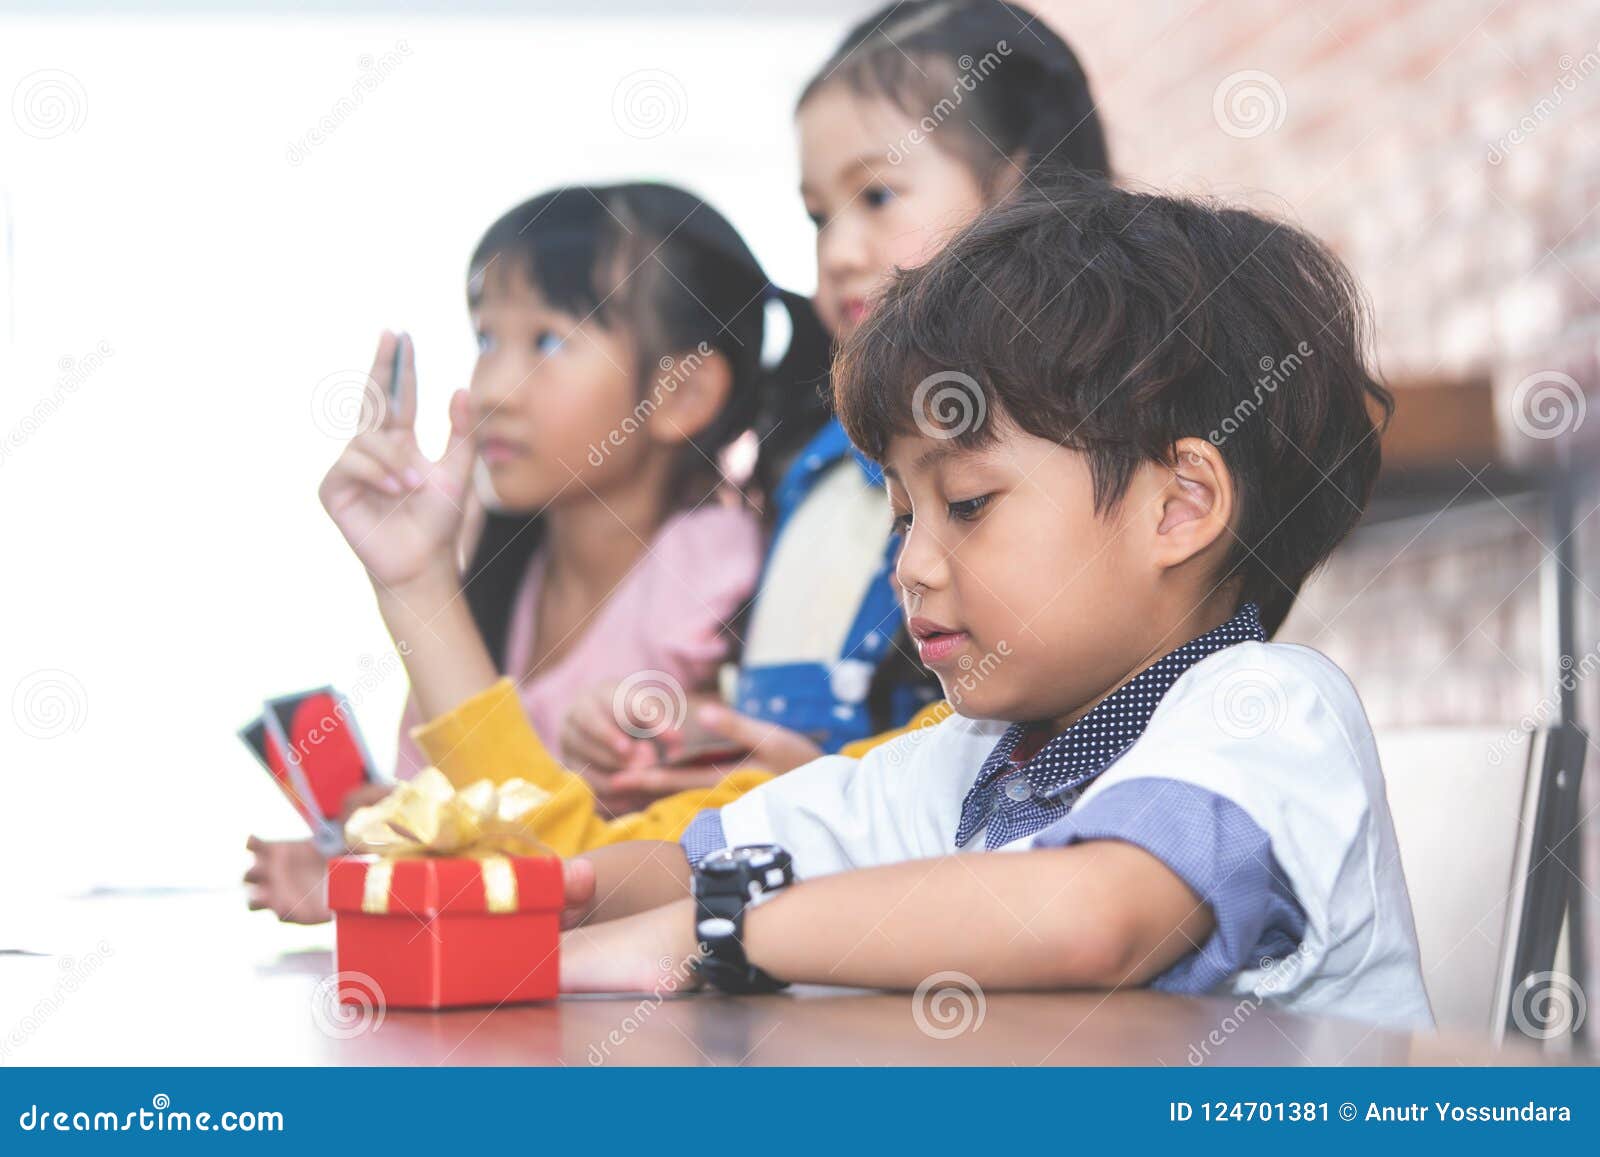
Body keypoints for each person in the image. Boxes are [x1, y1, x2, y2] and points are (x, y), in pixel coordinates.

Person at [472, 176, 1431, 1026]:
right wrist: (474, 893)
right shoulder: (969, 763)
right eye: (901, 517)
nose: (912, 568)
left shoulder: (1268, 712)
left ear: (1178, 507)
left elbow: (1088, 920)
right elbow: (705, 864)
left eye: (967, 504)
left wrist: (716, 933)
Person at [244, 182, 827, 921]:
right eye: (486, 338)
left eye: (548, 341)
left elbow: (643, 862)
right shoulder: (494, 566)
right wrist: (376, 849)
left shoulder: (723, 575)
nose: (491, 388)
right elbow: (465, 817)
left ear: (681, 392)